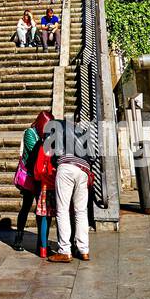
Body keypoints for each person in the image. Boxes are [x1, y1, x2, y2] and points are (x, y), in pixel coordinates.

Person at [47, 117, 94, 263]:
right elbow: (92, 156)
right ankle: (83, 249)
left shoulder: (55, 126)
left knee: (62, 210)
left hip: (66, 167)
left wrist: (55, 161)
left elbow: (55, 150)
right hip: (84, 169)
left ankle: (64, 250)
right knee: (81, 211)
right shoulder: (82, 131)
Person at [14, 111, 54, 256]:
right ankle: (19, 238)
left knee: (42, 212)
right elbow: (34, 152)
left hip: (41, 178)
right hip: (30, 177)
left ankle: (41, 244)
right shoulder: (30, 133)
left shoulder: (46, 135)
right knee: (25, 207)